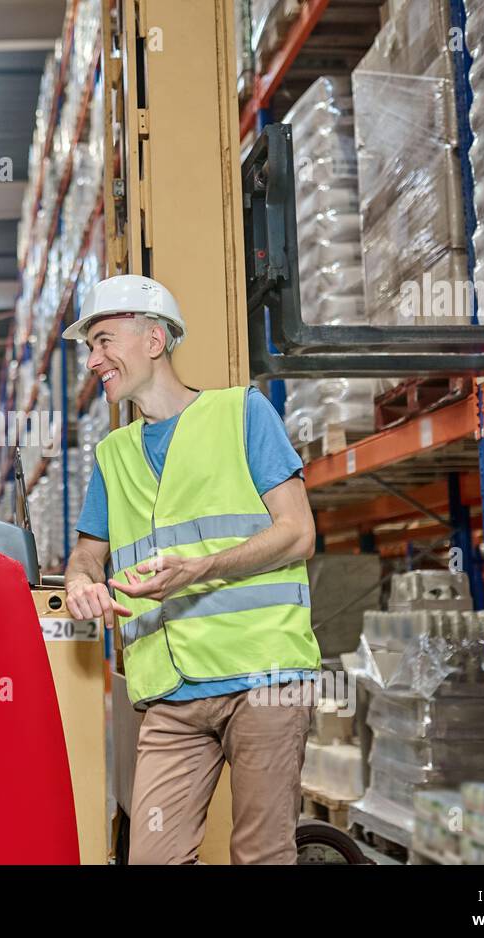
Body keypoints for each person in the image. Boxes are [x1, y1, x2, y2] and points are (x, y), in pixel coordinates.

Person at [61, 274, 321, 865]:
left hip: (264, 677)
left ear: (154, 340)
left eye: (103, 341)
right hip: (171, 694)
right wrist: (80, 582)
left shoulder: (242, 414)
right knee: (152, 858)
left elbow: (298, 532)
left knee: (261, 854)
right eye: (89, 349)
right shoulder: (113, 454)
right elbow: (87, 552)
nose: (94, 360)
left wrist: (197, 570)